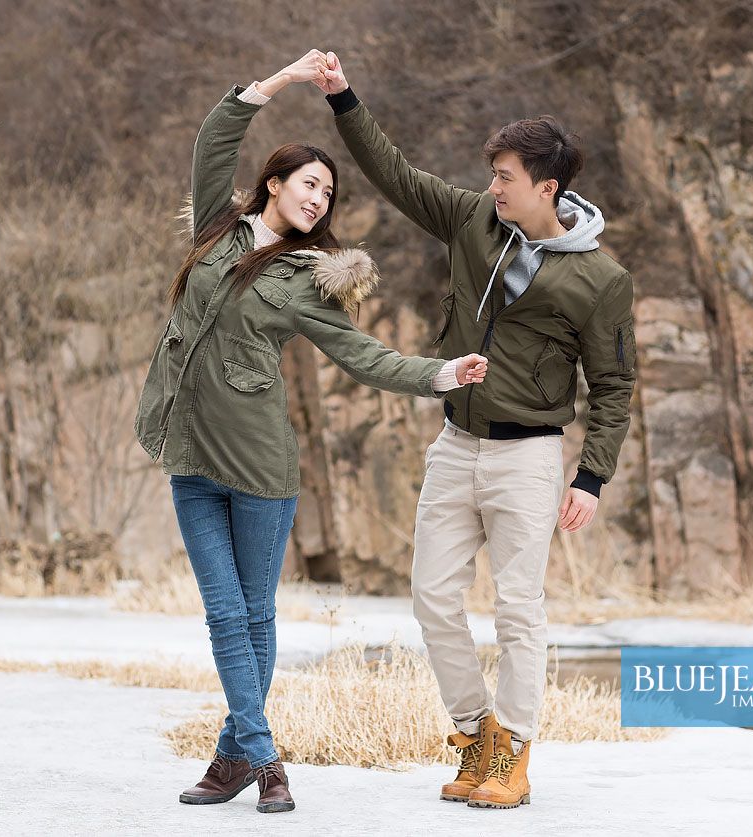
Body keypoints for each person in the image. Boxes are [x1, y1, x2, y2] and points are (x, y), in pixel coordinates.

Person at [133, 50, 489, 815]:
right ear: (274, 183)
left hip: (260, 467)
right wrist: (284, 80)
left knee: (254, 616)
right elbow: (211, 143)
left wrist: (440, 372)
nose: (319, 200)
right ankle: (264, 762)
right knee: (227, 615)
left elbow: (366, 355)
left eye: (329, 193)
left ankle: (238, 757)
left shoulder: (308, 278)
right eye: (309, 184)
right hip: (189, 451)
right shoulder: (216, 228)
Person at [314, 53, 637, 809]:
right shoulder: (470, 220)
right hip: (455, 445)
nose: (492, 186)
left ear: (546, 188)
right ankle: (474, 734)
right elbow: (394, 175)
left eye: (504, 177)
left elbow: (614, 385)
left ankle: (515, 755)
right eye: (490, 174)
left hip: (529, 455)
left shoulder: (601, 281)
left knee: (519, 610)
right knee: (431, 598)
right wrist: (343, 99)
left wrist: (590, 476)